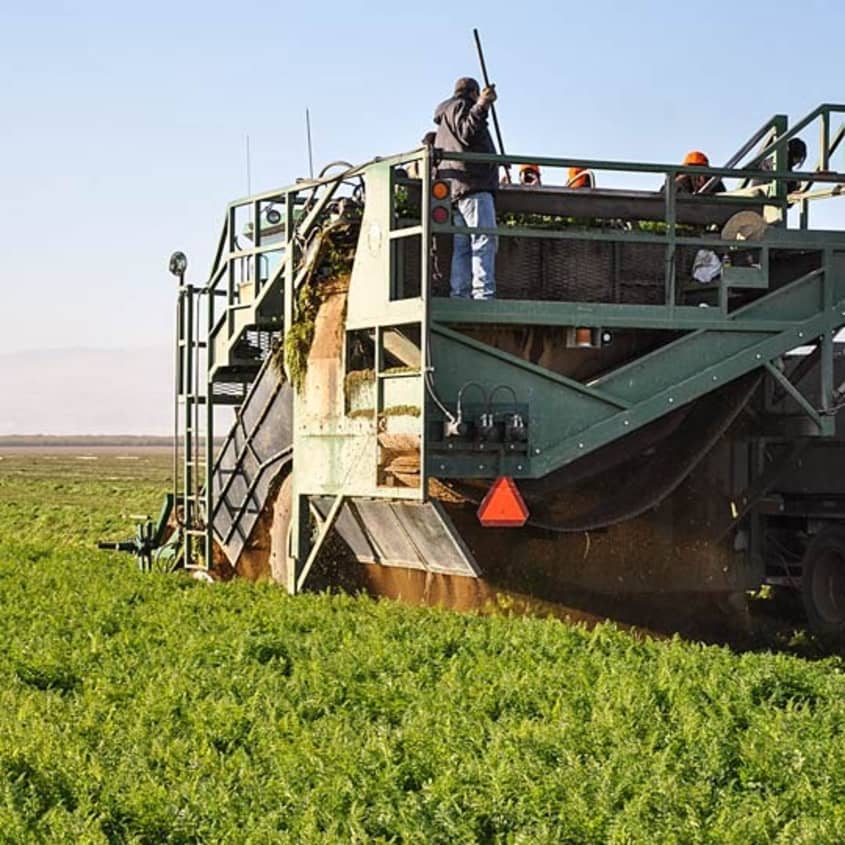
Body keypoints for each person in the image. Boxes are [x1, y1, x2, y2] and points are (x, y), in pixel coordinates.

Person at [433, 76, 499, 300]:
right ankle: (483, 294)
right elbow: (467, 132)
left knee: (463, 245)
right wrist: (483, 105)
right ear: (473, 92)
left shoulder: (445, 119)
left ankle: (459, 293)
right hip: (474, 185)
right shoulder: (462, 107)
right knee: (483, 239)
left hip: (456, 189)